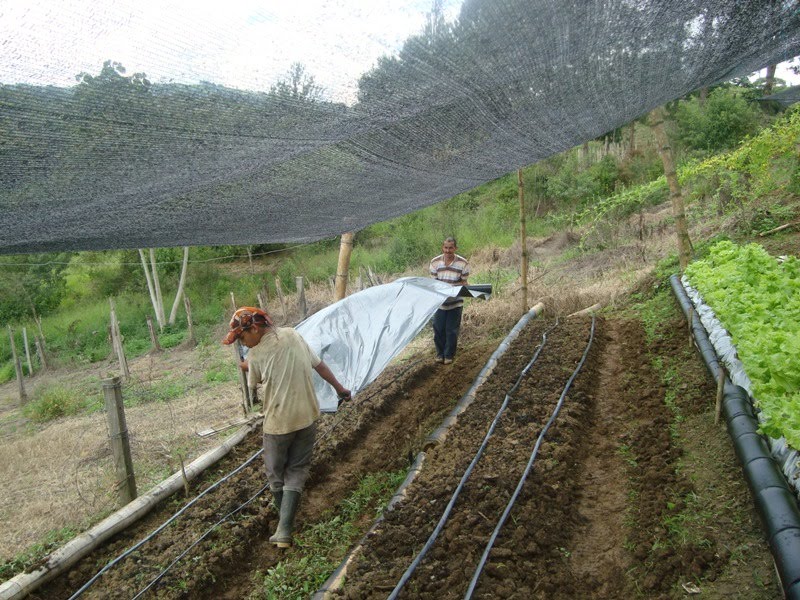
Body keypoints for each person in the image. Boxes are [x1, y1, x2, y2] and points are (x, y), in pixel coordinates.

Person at [222, 306, 350, 548]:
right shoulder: (293, 335)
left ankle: (284, 529)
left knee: (275, 473)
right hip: (307, 416)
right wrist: (340, 389)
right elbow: (319, 365)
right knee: (297, 469)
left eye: (242, 337)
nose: (243, 343)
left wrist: (245, 365)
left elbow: (255, 380)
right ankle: (285, 527)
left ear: (255, 329)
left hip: (278, 422)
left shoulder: (255, 354)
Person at [429, 237, 470, 364]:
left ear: (455, 248)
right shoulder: (435, 262)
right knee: (438, 328)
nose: (448, 251)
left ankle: (448, 355)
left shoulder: (463, 263)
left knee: (451, 330)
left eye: (450, 248)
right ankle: (439, 354)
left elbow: (464, 282)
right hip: (439, 303)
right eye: (446, 248)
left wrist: (452, 288)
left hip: (455, 302)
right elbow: (433, 283)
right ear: (442, 248)